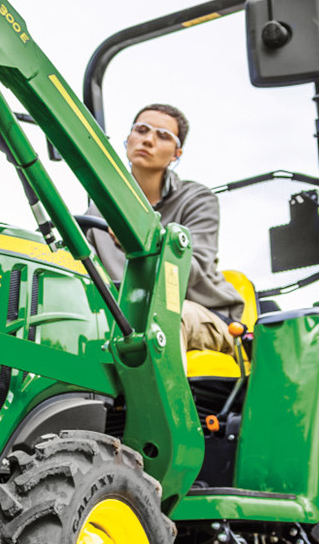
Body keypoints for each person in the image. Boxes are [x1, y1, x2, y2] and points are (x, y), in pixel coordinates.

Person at [83, 103, 244, 355]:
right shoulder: (98, 212)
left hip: (202, 313)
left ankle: (160, 396)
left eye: (163, 135)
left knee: (160, 322)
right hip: (124, 314)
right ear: (128, 139)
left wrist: (141, 240)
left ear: (176, 154)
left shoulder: (197, 200)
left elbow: (189, 271)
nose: (148, 140)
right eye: (142, 130)